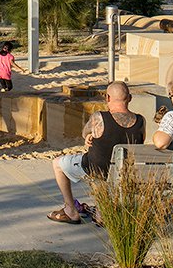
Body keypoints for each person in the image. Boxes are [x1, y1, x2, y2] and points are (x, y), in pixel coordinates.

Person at [47, 81, 145, 225]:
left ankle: (70, 210)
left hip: (96, 169)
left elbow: (84, 132)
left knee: (57, 164)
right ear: (130, 98)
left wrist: (88, 135)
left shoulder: (99, 117)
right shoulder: (141, 121)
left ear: (108, 98)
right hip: (123, 172)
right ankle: (101, 213)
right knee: (103, 169)